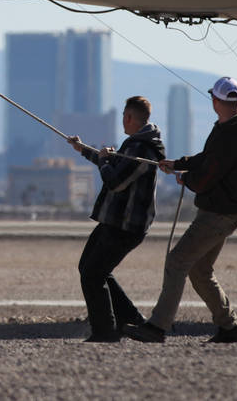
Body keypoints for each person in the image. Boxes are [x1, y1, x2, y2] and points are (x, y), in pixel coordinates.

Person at [125, 77, 237, 344]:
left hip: (217, 214)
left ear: (215, 101)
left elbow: (209, 174)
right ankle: (229, 328)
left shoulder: (229, 135)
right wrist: (180, 164)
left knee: (178, 261)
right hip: (224, 213)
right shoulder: (231, 129)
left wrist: (187, 178)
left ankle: (157, 327)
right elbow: (207, 159)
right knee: (200, 270)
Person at [67, 96, 165, 343]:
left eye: (124, 115)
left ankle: (105, 331)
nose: (122, 119)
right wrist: (85, 150)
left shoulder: (142, 148)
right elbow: (113, 165)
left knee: (93, 274)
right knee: (90, 269)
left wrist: (101, 160)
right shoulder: (135, 144)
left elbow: (115, 181)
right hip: (114, 222)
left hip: (126, 226)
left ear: (129, 117)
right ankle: (130, 320)